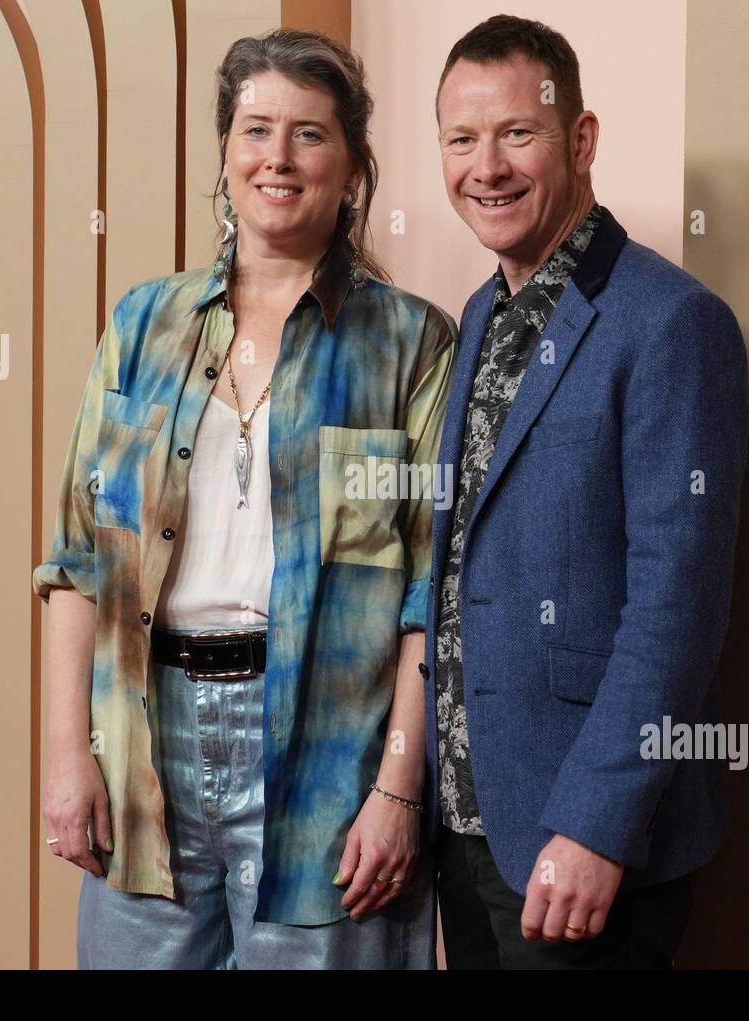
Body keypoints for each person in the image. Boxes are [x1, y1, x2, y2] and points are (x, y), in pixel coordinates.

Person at [33, 28, 457, 969]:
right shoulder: (144, 324)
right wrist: (70, 757)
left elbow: (436, 592)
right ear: (225, 153)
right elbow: (76, 561)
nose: (278, 156)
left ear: (352, 166)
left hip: (329, 760)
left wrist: (397, 788)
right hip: (146, 743)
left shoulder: (413, 343)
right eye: (256, 129)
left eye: (309, 134)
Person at [424, 15, 749, 969]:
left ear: (582, 138)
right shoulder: (483, 310)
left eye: (517, 133)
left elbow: (676, 607)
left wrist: (597, 823)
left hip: (582, 845)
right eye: (460, 139)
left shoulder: (673, 322)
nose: (487, 166)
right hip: (469, 830)